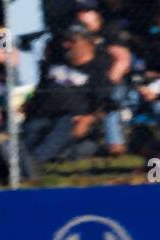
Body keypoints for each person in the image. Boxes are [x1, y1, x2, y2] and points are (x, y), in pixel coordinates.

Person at [19, 28, 111, 178]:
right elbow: (40, 90)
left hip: (72, 118)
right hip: (41, 115)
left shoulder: (97, 73)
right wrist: (28, 104)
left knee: (64, 125)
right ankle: (23, 167)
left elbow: (106, 105)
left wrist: (88, 120)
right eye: (65, 41)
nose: (66, 45)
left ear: (88, 44)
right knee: (29, 132)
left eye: (72, 41)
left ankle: (30, 166)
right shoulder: (55, 64)